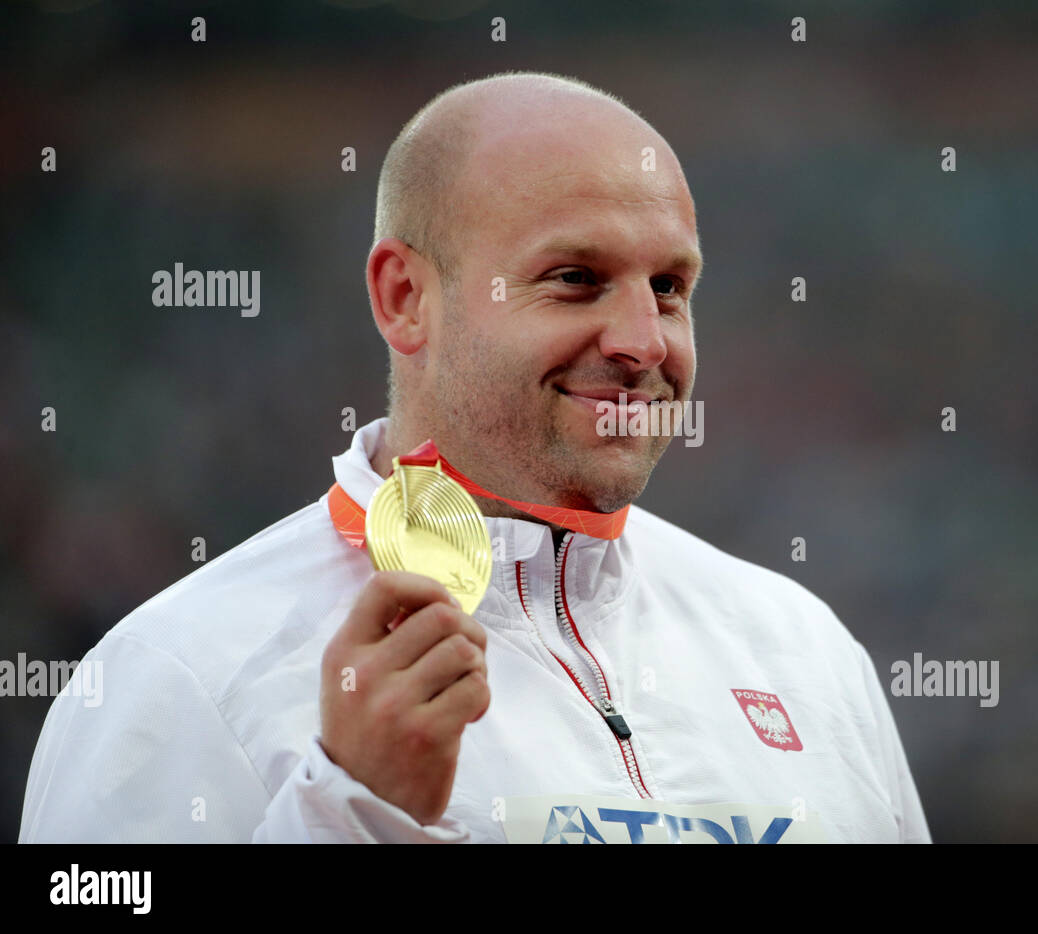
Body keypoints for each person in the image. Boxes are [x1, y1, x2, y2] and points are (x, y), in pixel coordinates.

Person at [19, 71, 930, 844]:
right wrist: (352, 811)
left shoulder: (803, 653)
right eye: (575, 278)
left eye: (669, 287)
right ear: (406, 296)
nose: (644, 341)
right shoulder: (177, 675)